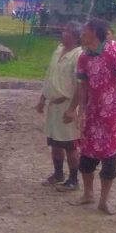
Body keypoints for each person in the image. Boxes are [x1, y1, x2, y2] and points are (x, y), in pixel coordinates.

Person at [64, 18, 116, 215]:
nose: (81, 34)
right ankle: (88, 194)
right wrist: (80, 111)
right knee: (86, 160)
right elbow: (82, 87)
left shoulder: (114, 53)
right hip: (92, 117)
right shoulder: (84, 57)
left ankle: (104, 201)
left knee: (109, 161)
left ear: (92, 32)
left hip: (113, 118)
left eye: (84, 31)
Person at [37, 22, 84, 190]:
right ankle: (58, 174)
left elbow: (80, 85)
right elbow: (50, 75)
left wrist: (72, 109)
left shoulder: (79, 56)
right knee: (55, 142)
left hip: (67, 104)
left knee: (70, 145)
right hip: (54, 105)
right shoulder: (58, 50)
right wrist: (43, 98)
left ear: (75, 37)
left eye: (66, 31)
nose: (62, 33)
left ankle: (73, 179)